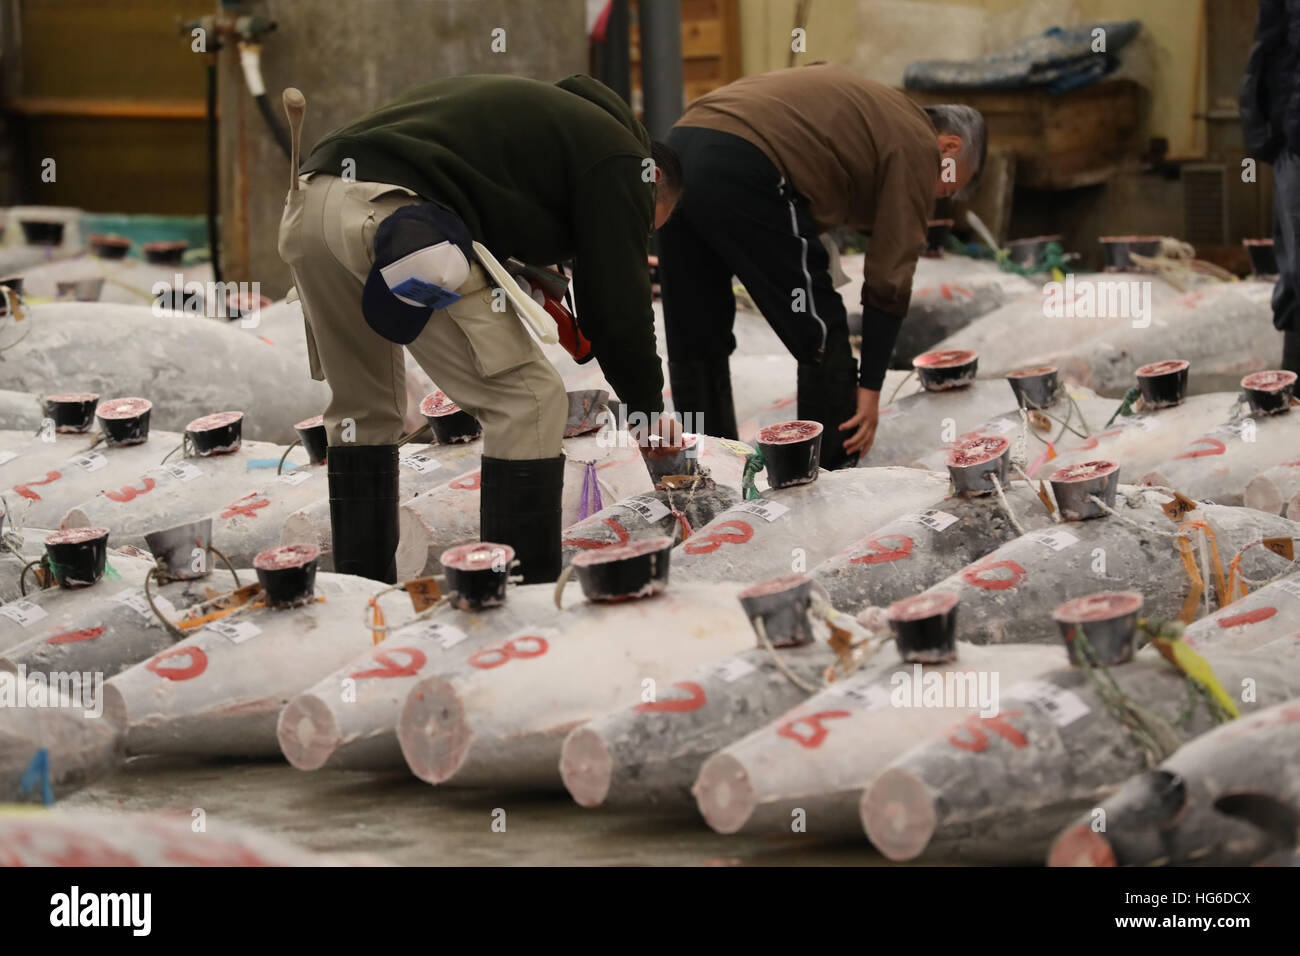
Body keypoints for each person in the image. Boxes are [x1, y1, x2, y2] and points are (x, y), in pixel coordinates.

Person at [279, 74, 680, 585]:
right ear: (655, 176)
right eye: (644, 223)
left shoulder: (535, 126)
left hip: (308, 209)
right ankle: (510, 605)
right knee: (528, 402)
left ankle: (363, 596)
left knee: (363, 410)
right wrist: (647, 412)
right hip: (399, 223)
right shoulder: (624, 161)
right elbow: (617, 307)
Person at [657, 63, 985, 466]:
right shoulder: (919, 143)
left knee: (695, 328)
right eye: (945, 187)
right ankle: (827, 474)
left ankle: (706, 470)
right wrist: (870, 388)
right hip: (746, 162)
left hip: (678, 151)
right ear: (949, 147)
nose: (934, 199)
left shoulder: (873, 110)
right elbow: (890, 273)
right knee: (819, 332)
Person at [1241, 0, 1300, 374]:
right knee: (1296, 271)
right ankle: (1294, 381)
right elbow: (1267, 52)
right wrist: (1263, 133)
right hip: (1295, 139)